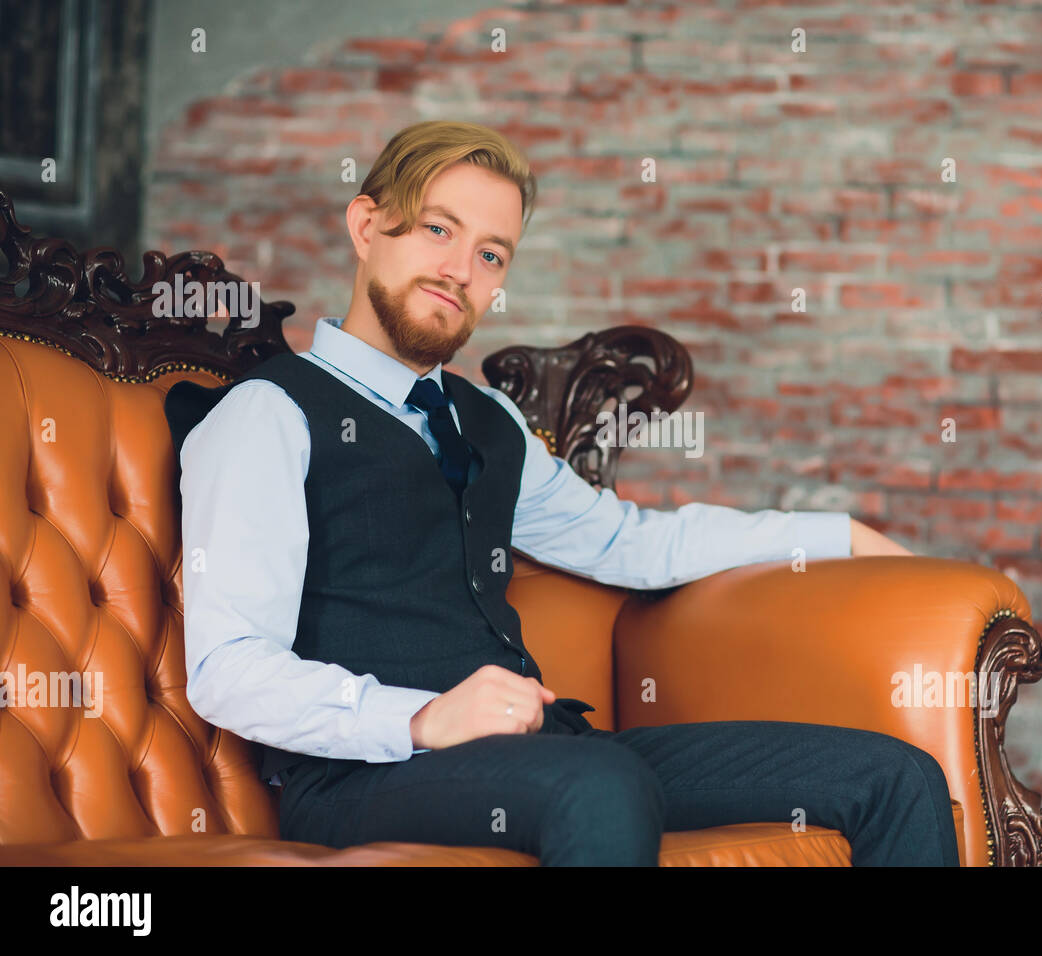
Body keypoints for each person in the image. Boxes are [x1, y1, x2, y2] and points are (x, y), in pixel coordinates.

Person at [165, 120, 960, 866]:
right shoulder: (266, 415)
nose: (459, 271)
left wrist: (833, 535)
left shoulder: (488, 420)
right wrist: (419, 717)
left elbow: (628, 543)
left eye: (491, 255)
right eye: (439, 230)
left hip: (548, 749)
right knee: (603, 785)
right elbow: (228, 668)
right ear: (367, 225)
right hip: (363, 779)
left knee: (895, 775)